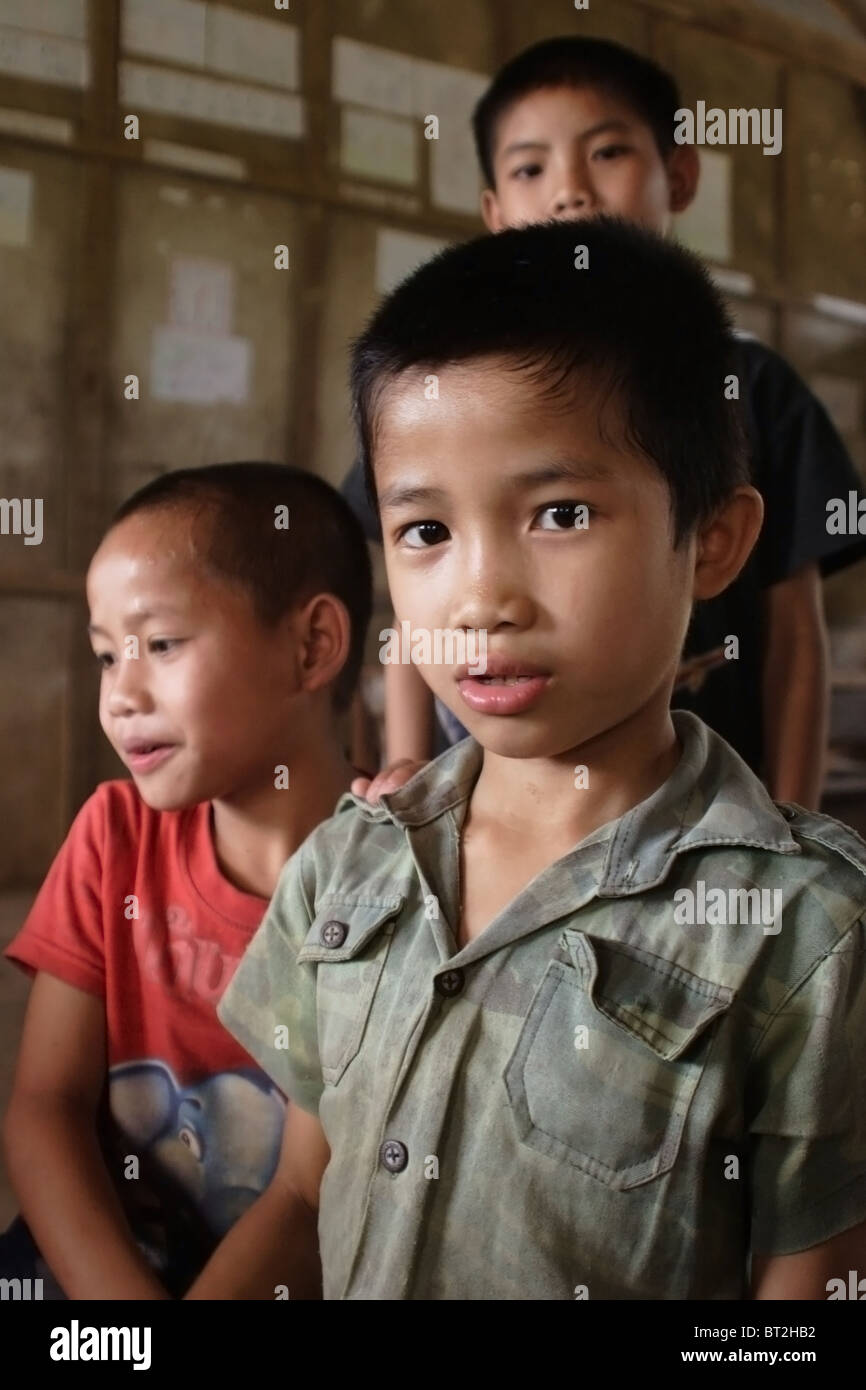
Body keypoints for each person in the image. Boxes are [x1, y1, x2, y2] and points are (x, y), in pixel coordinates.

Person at [192, 221, 866, 1300]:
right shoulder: (347, 868)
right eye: (424, 532)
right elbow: (300, 1196)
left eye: (559, 513)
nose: (479, 599)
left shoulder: (805, 937)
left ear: (712, 542)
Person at [343, 36, 866, 809]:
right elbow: (405, 599)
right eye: (530, 168)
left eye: (608, 152)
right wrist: (409, 761)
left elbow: (795, 635)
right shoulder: (441, 388)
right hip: (492, 799)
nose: (570, 192)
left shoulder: (754, 387)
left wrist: (790, 810)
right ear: (494, 212)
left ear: (679, 175)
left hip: (705, 814)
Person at [1, 462, 371, 1299]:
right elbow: (45, 1108)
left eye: (161, 644)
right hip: (103, 1262)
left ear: (311, 646)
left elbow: (311, 1199)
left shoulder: (391, 877)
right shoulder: (114, 836)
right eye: (105, 656)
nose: (120, 695)